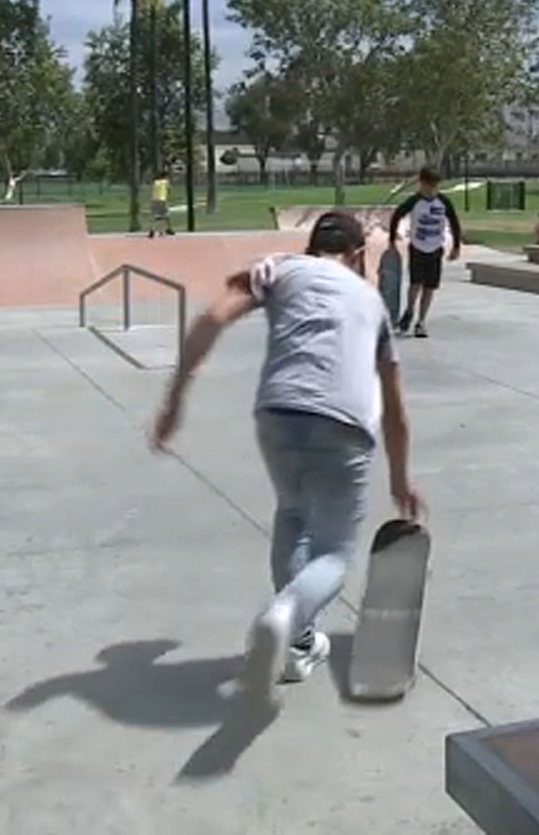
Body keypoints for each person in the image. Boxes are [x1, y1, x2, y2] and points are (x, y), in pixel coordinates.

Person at [149, 211, 423, 704]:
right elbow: (396, 408)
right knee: (335, 550)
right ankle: (286, 616)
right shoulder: (372, 301)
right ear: (359, 255)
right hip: (344, 424)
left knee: (293, 513)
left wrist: (174, 401)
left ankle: (296, 644)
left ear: (310, 244)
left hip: (277, 413)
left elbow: (211, 318)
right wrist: (400, 480)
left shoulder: (281, 269)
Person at [387, 167, 462, 338]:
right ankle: (410, 310)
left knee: (430, 287)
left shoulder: (443, 201)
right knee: (415, 284)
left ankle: (421, 322)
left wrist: (456, 246)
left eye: (435, 186)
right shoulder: (414, 201)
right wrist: (393, 237)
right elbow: (397, 215)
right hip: (417, 247)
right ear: (421, 184)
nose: (432, 190)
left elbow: (454, 221)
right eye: (428, 186)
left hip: (435, 249)